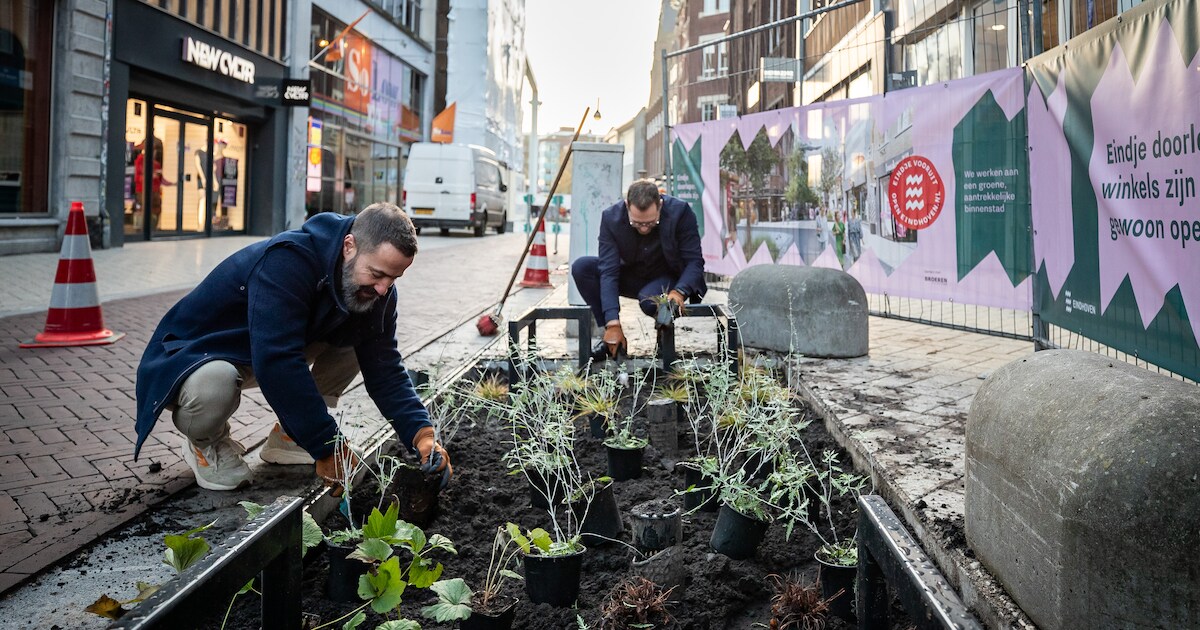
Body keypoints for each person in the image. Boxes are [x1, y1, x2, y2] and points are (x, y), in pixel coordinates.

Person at [132, 203, 452, 492]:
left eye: (394, 279)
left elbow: (385, 368)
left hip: (265, 348)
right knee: (215, 384)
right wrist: (326, 445)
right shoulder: (287, 261)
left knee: (355, 341)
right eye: (377, 274)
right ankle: (205, 442)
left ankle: (290, 436)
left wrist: (421, 435)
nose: (383, 289)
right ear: (349, 246)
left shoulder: (374, 291)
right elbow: (278, 362)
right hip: (200, 354)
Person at [571, 179, 706, 358]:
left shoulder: (680, 212)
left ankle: (664, 337)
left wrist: (680, 292)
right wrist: (612, 322)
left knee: (649, 300)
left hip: (669, 279)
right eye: (636, 223)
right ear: (627, 206)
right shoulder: (611, 218)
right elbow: (609, 271)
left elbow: (694, 261)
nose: (643, 229)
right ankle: (612, 339)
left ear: (660, 205)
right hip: (633, 275)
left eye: (650, 223)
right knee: (582, 268)